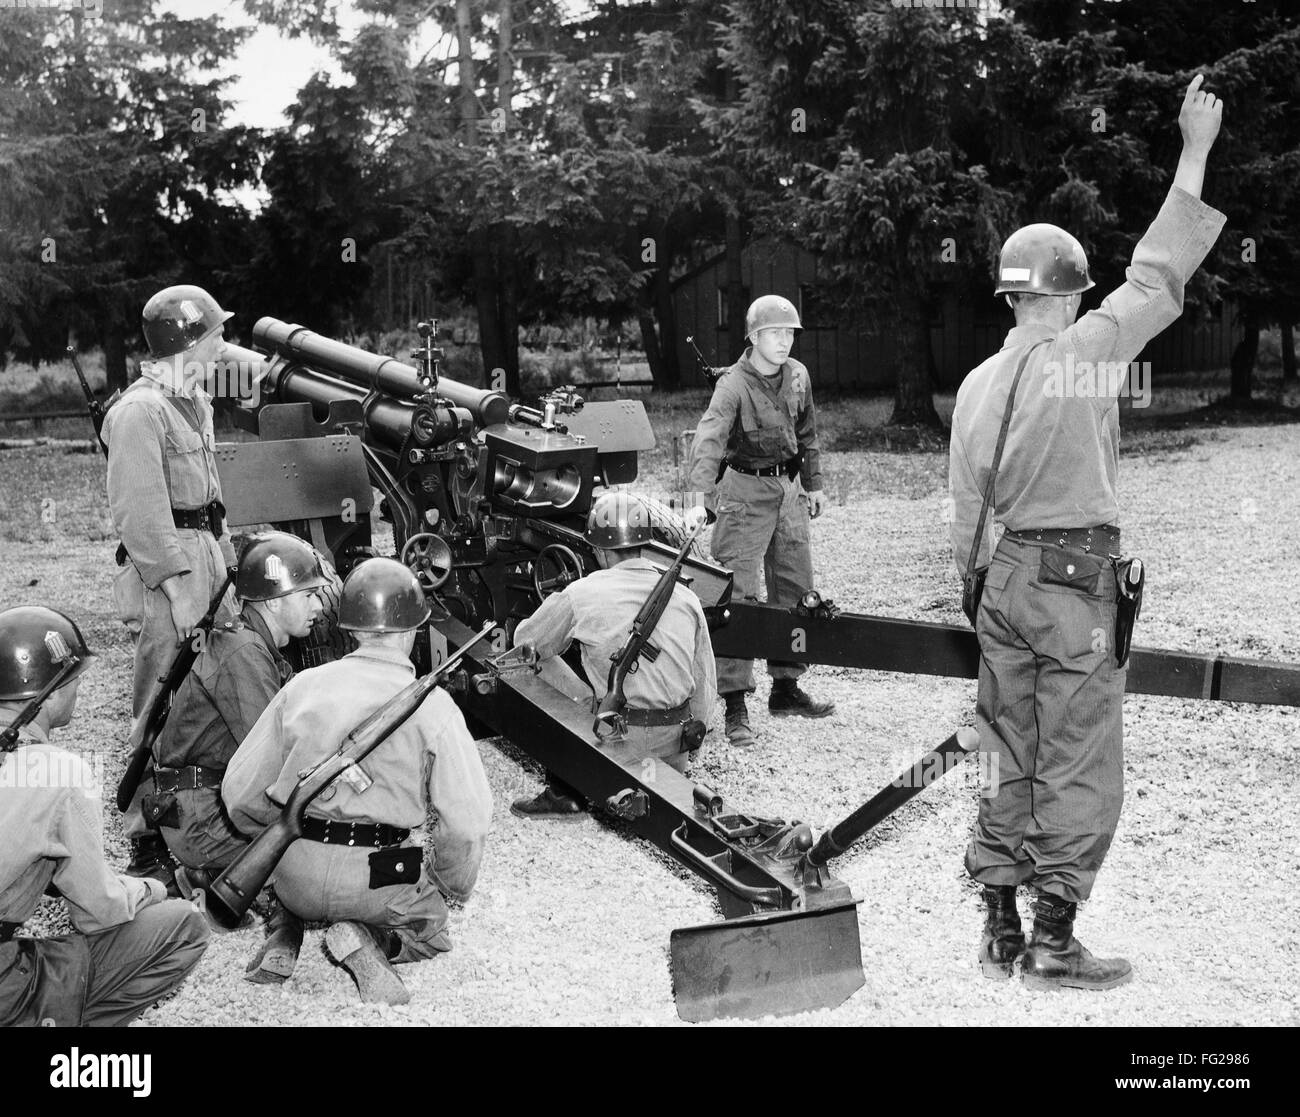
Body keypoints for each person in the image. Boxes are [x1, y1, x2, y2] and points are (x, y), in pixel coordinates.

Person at [948, 75, 1225, 989]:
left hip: (1000, 583)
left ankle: (995, 923)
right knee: (1079, 755)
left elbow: (964, 508)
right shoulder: (1087, 353)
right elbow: (1158, 271)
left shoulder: (979, 385)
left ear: (1010, 297)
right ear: (1068, 297)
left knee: (1003, 742)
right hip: (1071, 584)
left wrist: (979, 588)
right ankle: (1054, 939)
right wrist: (1192, 151)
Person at [222, 558, 492, 1005]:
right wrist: (448, 886)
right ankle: (373, 941)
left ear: (351, 629)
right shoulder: (436, 707)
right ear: (413, 630)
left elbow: (239, 794)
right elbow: (467, 825)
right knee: (432, 927)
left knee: (287, 893)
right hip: (379, 884)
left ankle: (286, 929)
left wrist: (278, 846)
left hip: (296, 876)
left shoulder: (303, 686)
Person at [0, 606, 209, 1026]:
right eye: (75, 680)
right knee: (183, 925)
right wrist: (151, 889)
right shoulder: (57, 770)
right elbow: (98, 911)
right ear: (53, 691)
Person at [103, 284, 239, 888]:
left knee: (205, 690)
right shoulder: (139, 412)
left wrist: (227, 560)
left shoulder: (195, 404)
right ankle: (144, 836)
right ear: (187, 342)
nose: (224, 346)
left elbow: (209, 498)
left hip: (207, 554)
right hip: (171, 570)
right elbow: (140, 513)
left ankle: (197, 813)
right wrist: (179, 587)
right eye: (216, 336)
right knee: (160, 698)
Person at [151, 532, 326, 983]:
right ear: (271, 601)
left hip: (199, 800)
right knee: (311, 851)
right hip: (201, 815)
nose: (318, 607)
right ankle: (265, 909)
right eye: (307, 595)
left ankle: (208, 877)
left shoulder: (251, 642)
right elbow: (278, 764)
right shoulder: (245, 652)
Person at [510, 492, 718, 820]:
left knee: (530, 661)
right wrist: (694, 742)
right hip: (675, 749)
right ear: (643, 545)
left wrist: (581, 695)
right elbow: (706, 683)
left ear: (599, 550)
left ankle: (564, 790)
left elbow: (525, 643)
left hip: (614, 746)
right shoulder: (686, 596)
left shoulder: (582, 593)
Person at [684, 294, 834, 748]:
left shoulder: (799, 376)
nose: (784, 341)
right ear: (753, 337)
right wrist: (698, 497)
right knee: (738, 594)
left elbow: (807, 433)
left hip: (787, 491)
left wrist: (815, 483)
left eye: (790, 333)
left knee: (795, 589)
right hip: (744, 493)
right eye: (775, 333)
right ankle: (734, 702)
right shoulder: (732, 385)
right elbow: (709, 439)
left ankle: (786, 687)